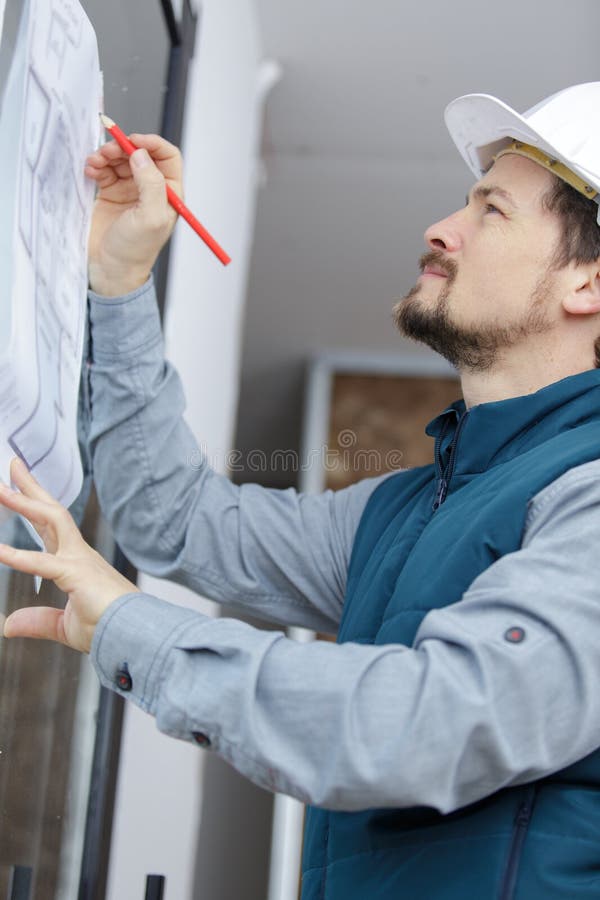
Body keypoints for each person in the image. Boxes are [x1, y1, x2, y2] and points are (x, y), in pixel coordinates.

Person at [2, 83, 600, 898]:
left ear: (587, 286)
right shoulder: (407, 507)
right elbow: (174, 520)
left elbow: (423, 727)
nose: (441, 229)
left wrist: (134, 629)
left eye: (491, 210)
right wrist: (119, 282)